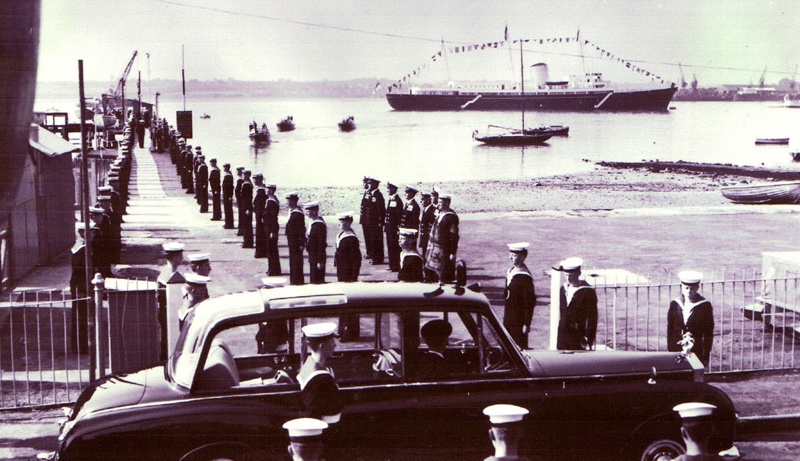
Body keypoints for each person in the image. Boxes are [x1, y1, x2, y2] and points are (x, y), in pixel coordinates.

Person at [296, 322, 344, 424]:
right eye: (332, 342)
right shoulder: (320, 378)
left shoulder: (308, 364)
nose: (335, 345)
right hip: (329, 427)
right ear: (322, 346)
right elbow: (313, 414)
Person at [667, 271, 714, 367]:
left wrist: (706, 356)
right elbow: (670, 328)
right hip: (676, 348)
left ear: (697, 288)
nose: (689, 291)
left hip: (695, 349)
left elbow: (708, 332)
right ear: (682, 287)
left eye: (692, 289)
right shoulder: (675, 304)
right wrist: (669, 349)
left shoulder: (704, 305)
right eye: (686, 288)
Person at [554, 257, 598, 351]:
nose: (568, 278)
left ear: (578, 273)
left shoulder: (587, 292)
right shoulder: (563, 289)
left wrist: (588, 338)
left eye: (571, 275)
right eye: (566, 275)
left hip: (578, 335)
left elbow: (592, 318)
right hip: (563, 334)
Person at [503, 243, 537, 349]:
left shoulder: (525, 278)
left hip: (518, 321)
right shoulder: (511, 271)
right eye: (510, 254)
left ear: (522, 257)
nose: (510, 257)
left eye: (514, 255)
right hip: (508, 318)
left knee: (518, 348)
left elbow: (529, 303)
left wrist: (527, 323)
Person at [157, 242, 185, 359]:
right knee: (168, 340)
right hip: (168, 314)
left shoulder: (166, 272)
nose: (182, 258)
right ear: (174, 258)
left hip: (168, 312)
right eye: (180, 256)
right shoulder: (168, 275)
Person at [424, 193, 459, 283]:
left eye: (441, 202)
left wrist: (453, 252)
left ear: (447, 203)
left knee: (444, 271)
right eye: (438, 202)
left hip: (445, 248)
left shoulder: (451, 217)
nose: (438, 204)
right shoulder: (439, 214)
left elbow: (454, 236)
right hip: (435, 247)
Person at [69, 222, 89, 353]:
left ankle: (79, 346)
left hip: (79, 286)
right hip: (80, 287)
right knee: (81, 318)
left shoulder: (79, 246)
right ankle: (81, 347)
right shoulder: (82, 250)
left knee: (80, 317)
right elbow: (80, 272)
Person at [285, 192, 306, 286]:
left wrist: (302, 243)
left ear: (293, 201)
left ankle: (297, 281)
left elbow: (301, 229)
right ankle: (294, 280)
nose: (287, 203)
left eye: (288, 201)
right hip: (292, 241)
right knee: (293, 262)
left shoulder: (298, 214)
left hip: (296, 242)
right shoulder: (293, 212)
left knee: (296, 262)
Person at [334, 212, 361, 283]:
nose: (339, 224)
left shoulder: (351, 238)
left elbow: (356, 259)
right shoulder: (341, 234)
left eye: (341, 222)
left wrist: (354, 276)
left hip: (348, 270)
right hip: (341, 268)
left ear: (348, 223)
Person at [363, 178, 385, 265]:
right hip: (370, 223)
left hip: (376, 223)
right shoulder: (371, 194)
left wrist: (380, 222)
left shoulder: (378, 195)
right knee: (373, 241)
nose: (369, 185)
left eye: (371, 184)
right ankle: (374, 257)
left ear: (375, 185)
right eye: (369, 183)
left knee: (377, 241)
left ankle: (378, 259)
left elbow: (381, 210)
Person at [305, 201, 327, 284]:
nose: (306, 213)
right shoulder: (312, 222)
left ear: (314, 211)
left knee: (317, 281)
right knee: (313, 279)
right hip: (313, 256)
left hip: (317, 257)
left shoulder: (319, 225)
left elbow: (321, 244)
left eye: (308, 211)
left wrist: (320, 261)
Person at [384, 182, 403, 272]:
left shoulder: (397, 200)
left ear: (394, 189)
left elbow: (398, 216)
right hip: (389, 228)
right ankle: (392, 265)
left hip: (394, 229)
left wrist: (398, 228)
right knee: (390, 246)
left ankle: (396, 266)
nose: (388, 190)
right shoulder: (391, 199)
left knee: (395, 247)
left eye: (389, 188)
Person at [265, 183, 282, 275]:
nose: (266, 190)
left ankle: (274, 269)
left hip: (271, 229)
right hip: (268, 227)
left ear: (271, 190)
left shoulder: (272, 202)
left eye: (267, 189)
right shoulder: (270, 201)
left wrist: (273, 231)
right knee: (270, 249)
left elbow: (273, 218)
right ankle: (271, 268)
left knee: (272, 250)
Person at [252, 173, 268, 258]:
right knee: (260, 233)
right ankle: (261, 251)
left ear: (260, 180)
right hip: (258, 214)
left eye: (255, 179)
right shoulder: (260, 189)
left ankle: (260, 252)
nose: (254, 181)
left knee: (260, 233)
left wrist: (262, 216)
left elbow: (262, 205)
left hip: (260, 215)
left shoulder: (262, 191)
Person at [240, 170, 254, 248]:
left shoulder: (247, 185)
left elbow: (248, 198)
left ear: (248, 175)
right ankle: (246, 241)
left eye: (244, 174)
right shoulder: (247, 184)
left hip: (246, 206)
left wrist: (248, 208)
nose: (243, 176)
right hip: (245, 206)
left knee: (247, 224)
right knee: (246, 224)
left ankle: (248, 242)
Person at [359, 177, 372, 260]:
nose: (363, 184)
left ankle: (370, 252)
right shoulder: (366, 192)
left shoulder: (370, 193)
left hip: (368, 219)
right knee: (366, 236)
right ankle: (369, 252)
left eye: (364, 183)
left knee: (369, 236)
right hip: (364, 219)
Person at [418, 191, 434, 258]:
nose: (421, 201)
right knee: (424, 254)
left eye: (422, 199)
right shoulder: (425, 210)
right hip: (424, 237)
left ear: (428, 200)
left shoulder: (432, 210)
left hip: (428, 237)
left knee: (428, 255)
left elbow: (431, 225)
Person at [221, 163, 235, 229]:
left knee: (228, 209)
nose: (224, 168)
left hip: (227, 195)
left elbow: (230, 187)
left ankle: (229, 223)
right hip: (225, 194)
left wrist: (230, 195)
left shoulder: (228, 176)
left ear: (227, 168)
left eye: (224, 167)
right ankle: (227, 222)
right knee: (226, 209)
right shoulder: (227, 175)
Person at [235, 166, 245, 235]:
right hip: (240, 200)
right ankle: (240, 229)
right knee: (241, 215)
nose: (237, 172)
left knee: (241, 215)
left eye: (238, 171)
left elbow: (238, 191)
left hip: (241, 200)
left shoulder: (241, 180)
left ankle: (241, 230)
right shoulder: (241, 180)